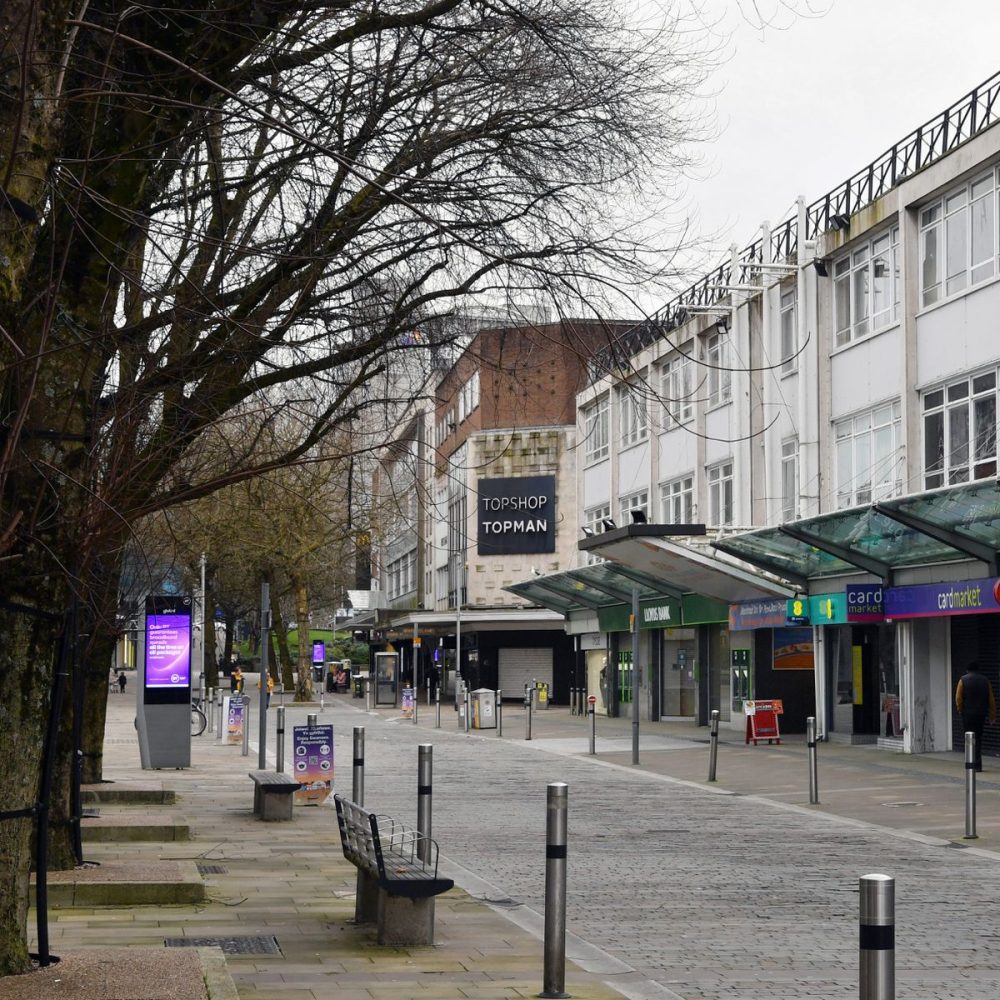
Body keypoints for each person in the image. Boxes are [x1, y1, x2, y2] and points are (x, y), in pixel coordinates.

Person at [955, 661, 997, 771]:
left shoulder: (963, 680)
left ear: (967, 670)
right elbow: (991, 700)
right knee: (978, 738)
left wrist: (960, 709)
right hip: (981, 714)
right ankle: (978, 765)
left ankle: (970, 764)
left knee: (969, 738)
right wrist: (992, 716)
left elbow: (958, 698)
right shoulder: (985, 681)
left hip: (967, 714)